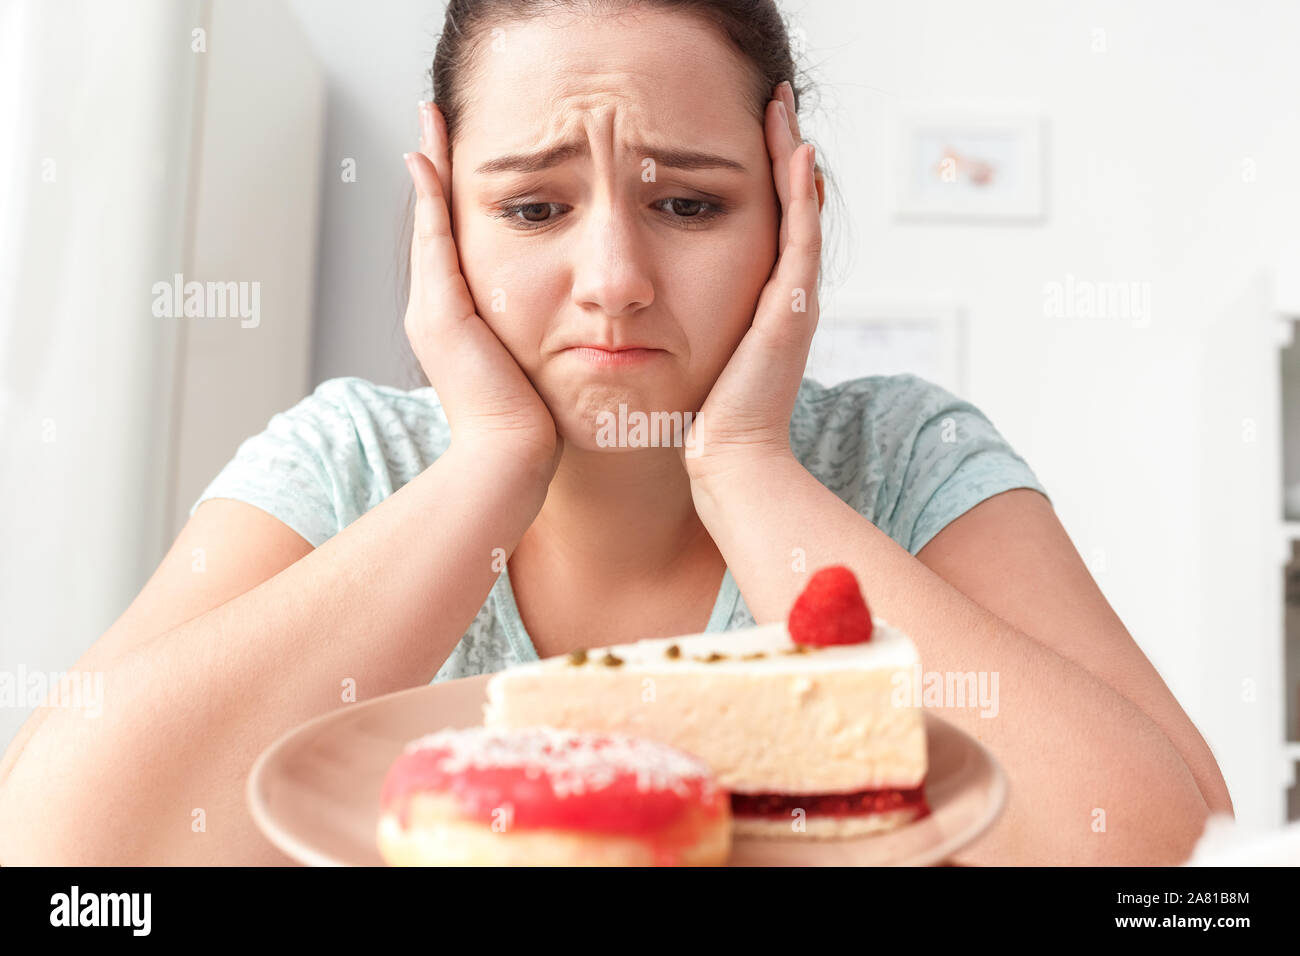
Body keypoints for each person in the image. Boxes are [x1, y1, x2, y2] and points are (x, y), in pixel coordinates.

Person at [0, 0, 1231, 866]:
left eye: (687, 203)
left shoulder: (904, 460)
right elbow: (59, 858)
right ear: (443, 219)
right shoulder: (347, 465)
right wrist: (489, 457)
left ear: (792, 211)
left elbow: (1176, 865)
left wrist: (749, 469)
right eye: (534, 205)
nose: (614, 278)